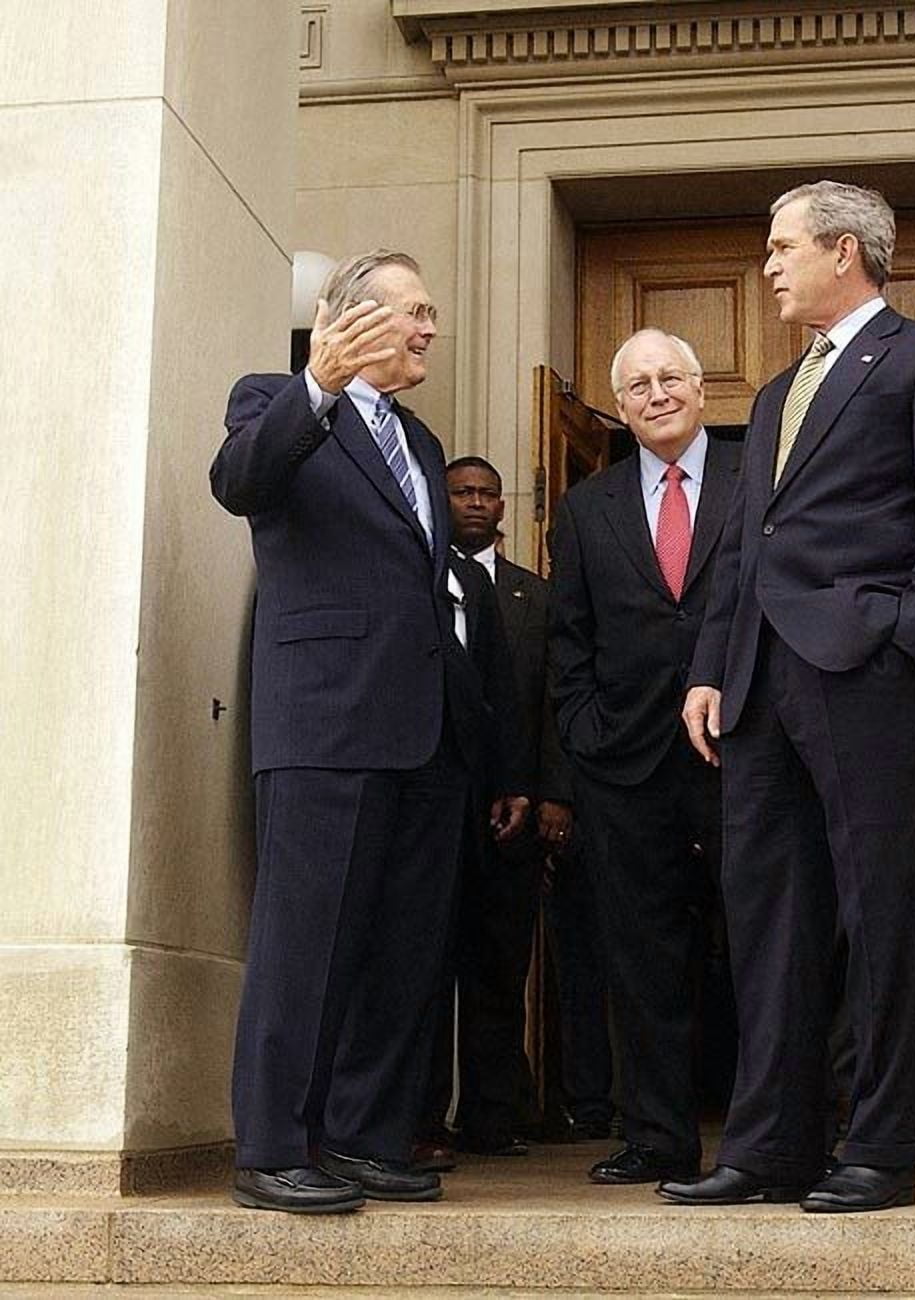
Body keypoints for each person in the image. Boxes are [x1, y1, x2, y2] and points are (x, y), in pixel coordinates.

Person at [668, 181, 915, 1213]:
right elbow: (743, 544)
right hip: (761, 682)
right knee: (766, 915)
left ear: (846, 252)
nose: (766, 264)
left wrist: (905, 650)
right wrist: (711, 668)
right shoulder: (773, 394)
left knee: (877, 909)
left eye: (781, 247)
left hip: (861, 670)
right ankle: (770, 1145)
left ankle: (878, 1145)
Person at [211, 249, 530, 1212]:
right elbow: (240, 482)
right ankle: (273, 1148)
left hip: (427, 736)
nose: (432, 328)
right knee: (306, 944)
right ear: (352, 316)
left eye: (434, 312)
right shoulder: (275, 396)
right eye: (417, 311)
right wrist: (319, 384)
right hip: (327, 720)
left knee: (403, 951)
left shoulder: (425, 445)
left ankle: (361, 1136)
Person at [546, 329, 742, 1186]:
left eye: (671, 378)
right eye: (636, 385)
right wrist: (586, 733)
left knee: (766, 947)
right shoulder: (587, 508)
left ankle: (776, 1132)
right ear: (619, 408)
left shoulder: (754, 482)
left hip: (742, 760)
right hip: (624, 768)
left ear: (701, 391)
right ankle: (657, 1135)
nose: (656, 394)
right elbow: (569, 640)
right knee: (642, 960)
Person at [417, 456, 578, 1160]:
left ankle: (493, 1115)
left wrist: (551, 793)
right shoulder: (419, 580)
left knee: (498, 969)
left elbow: (552, 702)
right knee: (423, 967)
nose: (477, 503)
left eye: (488, 493)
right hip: (440, 803)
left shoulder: (533, 596)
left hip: (513, 813)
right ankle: (421, 1119)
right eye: (463, 492)